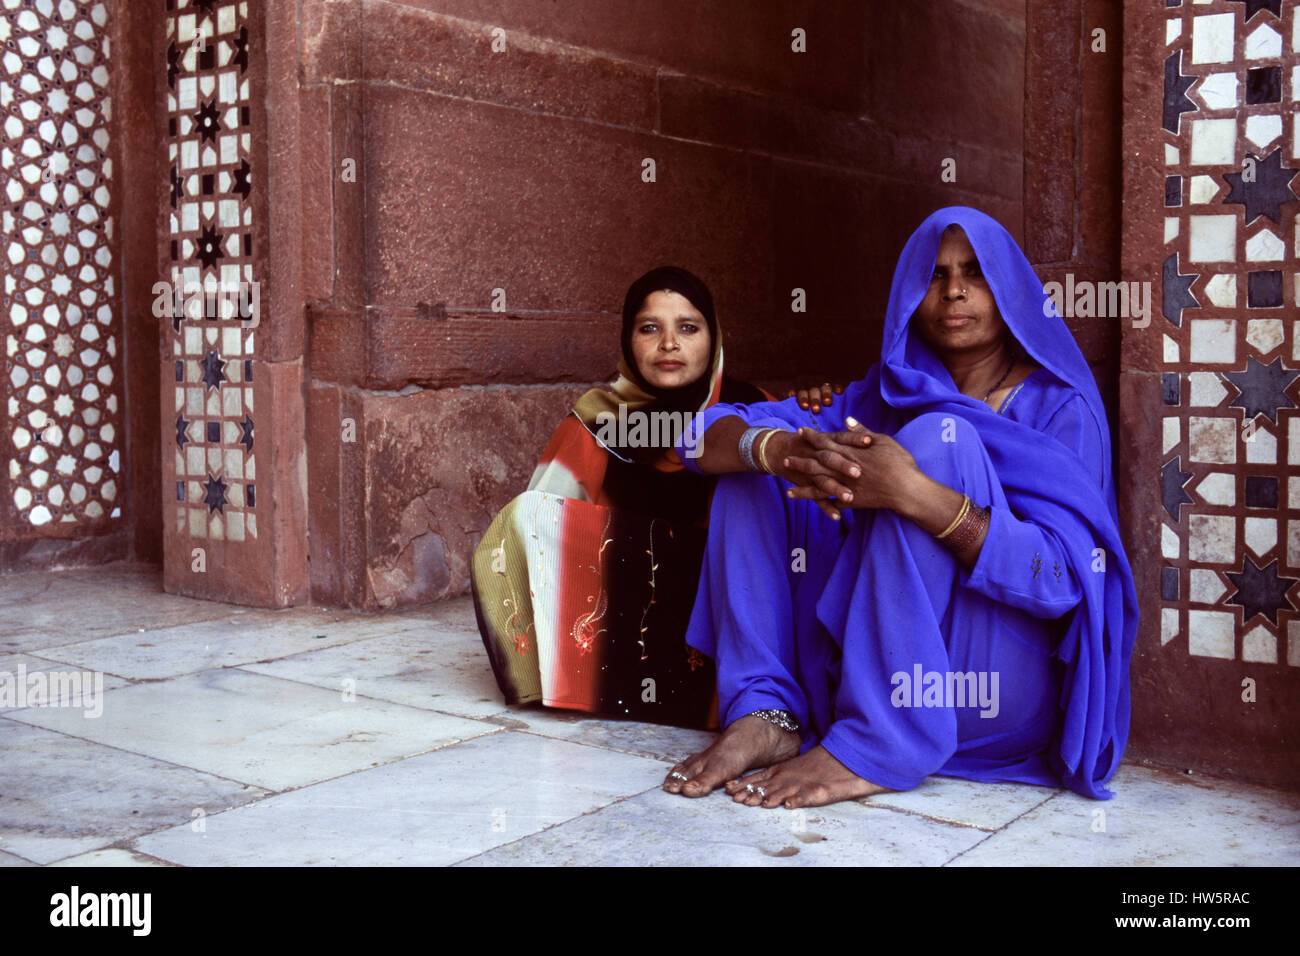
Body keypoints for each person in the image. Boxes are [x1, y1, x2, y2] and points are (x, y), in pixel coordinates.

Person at [661, 206, 1138, 808]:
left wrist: (912, 493)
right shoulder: (884, 395)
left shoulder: (1060, 409)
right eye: (935, 275)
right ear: (911, 292)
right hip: (870, 674)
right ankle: (767, 714)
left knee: (941, 442)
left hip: (991, 689)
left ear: (1011, 289)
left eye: (975, 272)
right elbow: (702, 437)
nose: (954, 290)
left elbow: (1066, 579)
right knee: (751, 473)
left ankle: (876, 745)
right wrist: (777, 449)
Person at [471, 266, 774, 728]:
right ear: (627, 339)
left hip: (730, 605)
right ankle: (574, 680)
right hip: (629, 619)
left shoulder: (755, 411)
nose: (669, 344)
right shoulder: (599, 421)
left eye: (688, 328)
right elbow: (543, 535)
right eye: (649, 328)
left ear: (714, 338)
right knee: (523, 518)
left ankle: (740, 696)